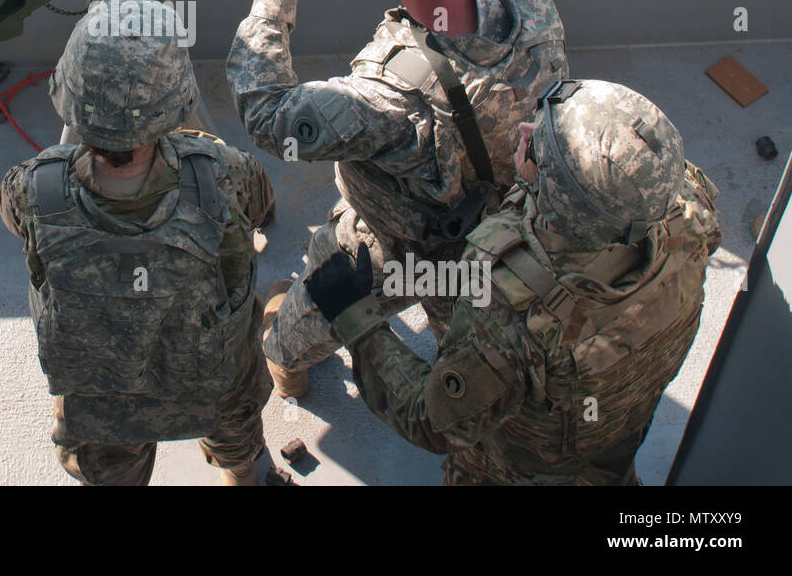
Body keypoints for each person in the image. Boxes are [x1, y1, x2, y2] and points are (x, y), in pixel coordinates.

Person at [227, 0, 568, 398]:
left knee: (303, 322)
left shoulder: (388, 93)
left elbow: (269, 115)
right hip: (508, 224)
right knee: (464, 340)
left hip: (402, 245)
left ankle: (286, 367)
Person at [305, 79, 723, 485]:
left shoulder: (515, 315)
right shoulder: (688, 211)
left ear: (561, 202)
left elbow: (432, 421)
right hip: (620, 427)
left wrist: (354, 318)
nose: (524, 129)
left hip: (524, 470)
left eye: (540, 147)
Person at [0, 0, 275, 485]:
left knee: (108, 473)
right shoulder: (225, 172)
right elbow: (260, 206)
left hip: (103, 408)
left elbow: (17, 223)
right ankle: (242, 477)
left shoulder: (32, 188)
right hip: (210, 384)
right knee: (236, 434)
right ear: (175, 100)